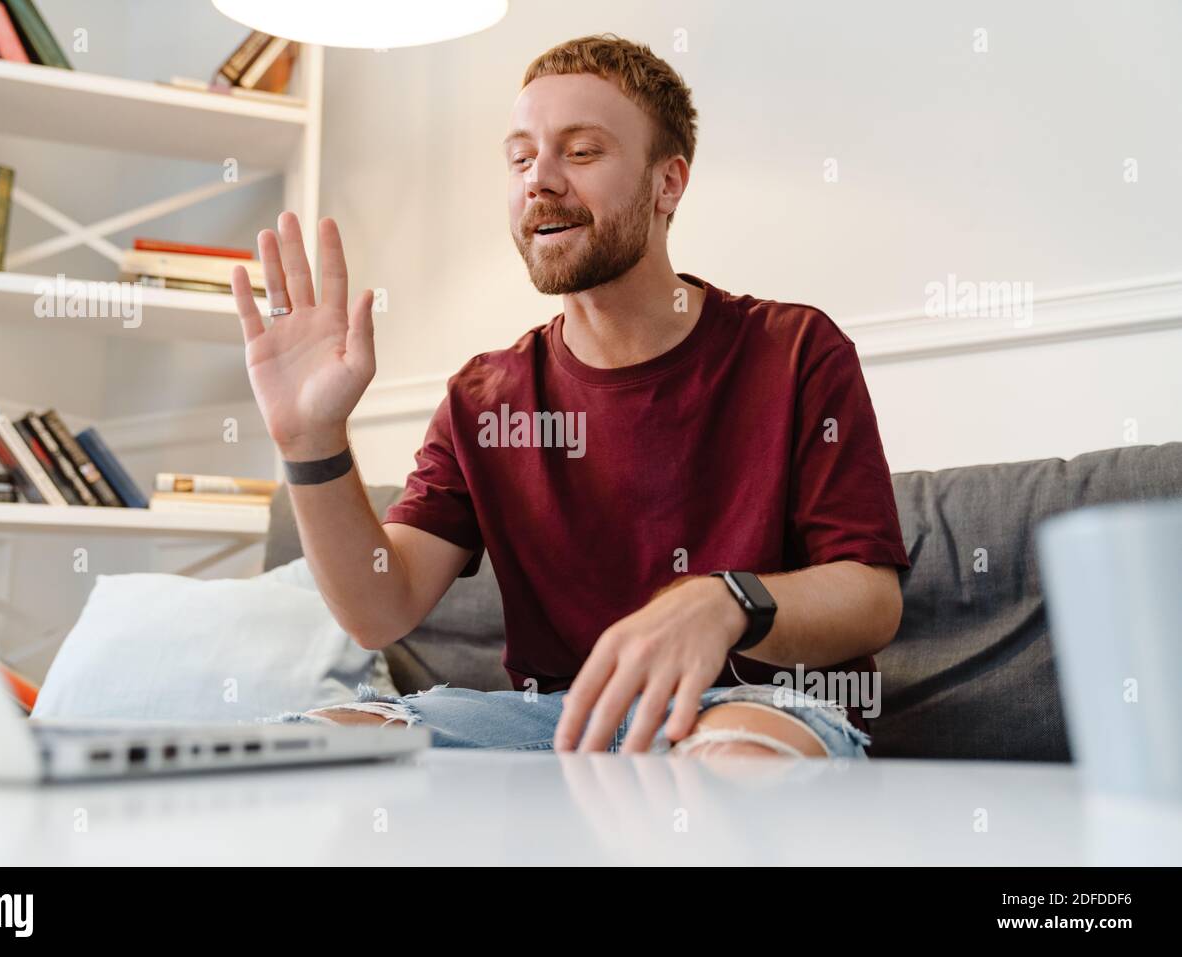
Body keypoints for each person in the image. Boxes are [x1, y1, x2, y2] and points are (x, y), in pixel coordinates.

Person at [231, 34, 909, 759]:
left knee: (725, 765)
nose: (539, 180)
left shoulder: (796, 350)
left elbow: (872, 599)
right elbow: (378, 608)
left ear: (668, 182)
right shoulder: (485, 398)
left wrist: (727, 601)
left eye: (581, 152)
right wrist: (312, 443)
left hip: (752, 703)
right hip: (552, 720)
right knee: (307, 755)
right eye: (521, 158)